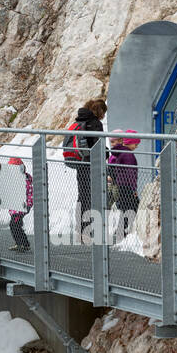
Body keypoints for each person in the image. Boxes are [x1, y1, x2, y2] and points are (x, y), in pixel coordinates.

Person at [62, 98, 107, 244]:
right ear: (99, 111)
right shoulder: (94, 124)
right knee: (91, 197)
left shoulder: (79, 121)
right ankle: (87, 232)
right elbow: (97, 146)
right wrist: (106, 153)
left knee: (82, 196)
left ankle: (80, 230)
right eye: (103, 112)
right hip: (90, 164)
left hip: (80, 163)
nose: (104, 116)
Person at [108, 130, 141, 242]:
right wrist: (133, 189)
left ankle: (121, 230)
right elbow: (131, 173)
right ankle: (122, 232)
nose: (136, 147)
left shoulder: (118, 153)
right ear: (129, 142)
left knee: (125, 207)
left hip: (120, 185)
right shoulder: (128, 155)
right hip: (127, 186)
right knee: (133, 206)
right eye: (135, 144)